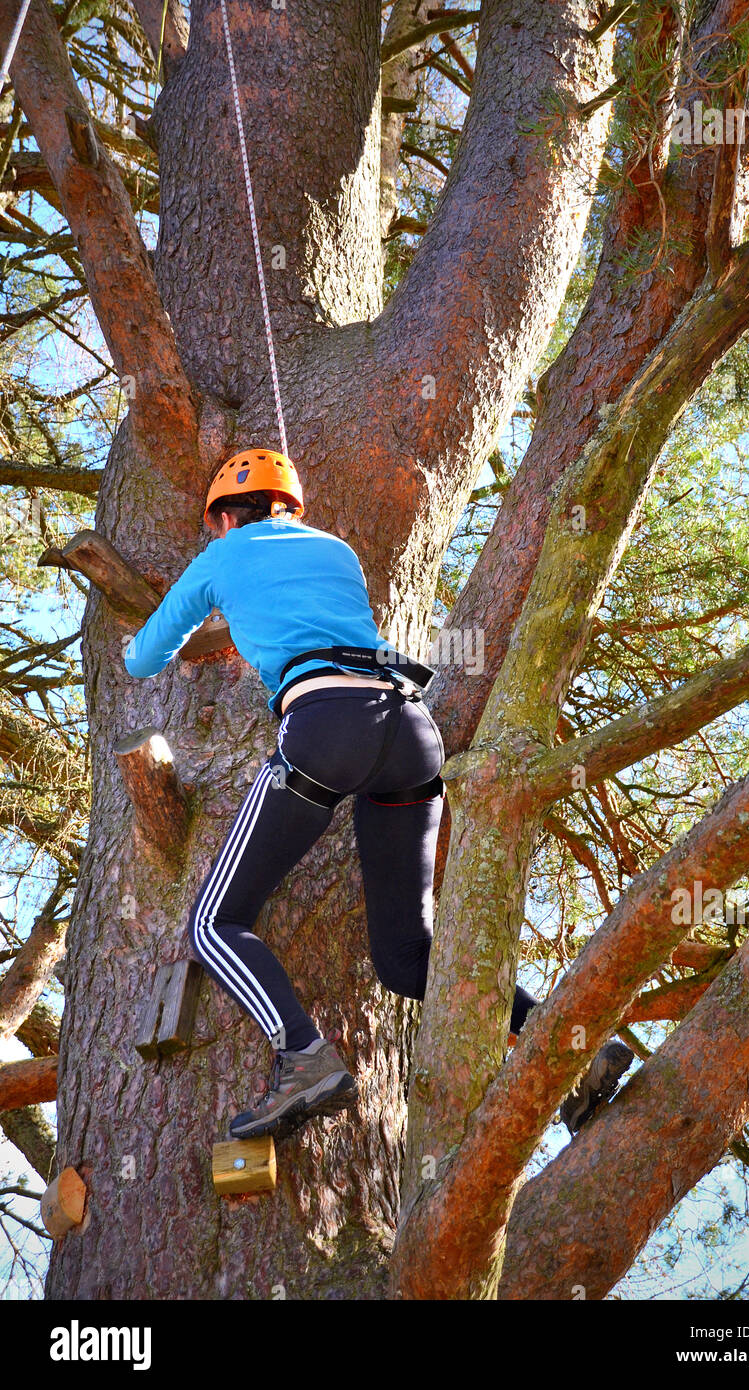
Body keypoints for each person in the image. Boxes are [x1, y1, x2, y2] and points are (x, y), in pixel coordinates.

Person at [123, 448, 633, 1142]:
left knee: (215, 925)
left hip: (327, 726)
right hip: (409, 734)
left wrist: (164, 630)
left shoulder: (223, 554)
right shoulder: (336, 551)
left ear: (223, 514)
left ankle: (303, 1057)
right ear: (288, 505)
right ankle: (574, 1050)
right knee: (405, 957)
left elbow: (146, 656)